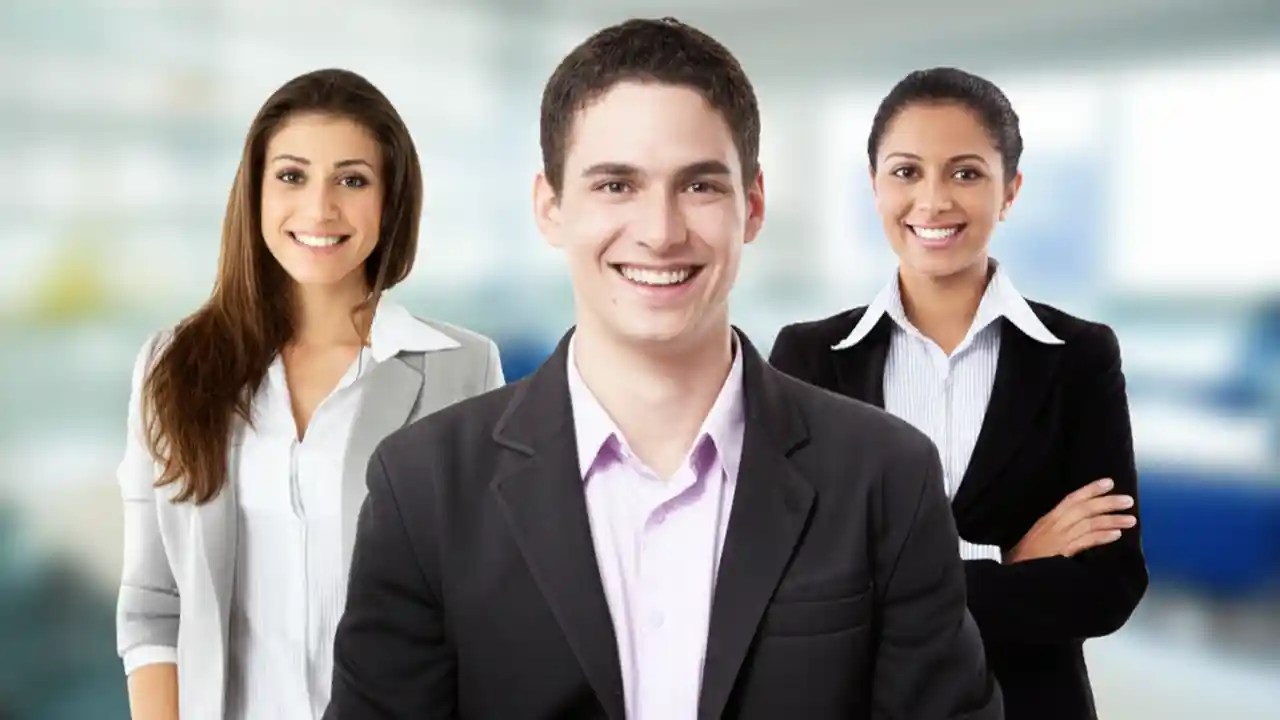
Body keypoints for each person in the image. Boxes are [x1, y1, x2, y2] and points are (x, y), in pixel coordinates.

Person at [327, 20, 1000, 720]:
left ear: (754, 205)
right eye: (616, 185)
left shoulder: (884, 475)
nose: (660, 231)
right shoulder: (424, 488)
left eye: (700, 186)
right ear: (550, 207)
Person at [115, 68, 504, 720]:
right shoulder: (172, 367)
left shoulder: (462, 370)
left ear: (390, 200)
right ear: (256, 193)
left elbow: (488, 611)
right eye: (292, 176)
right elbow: (153, 605)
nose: (320, 209)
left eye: (352, 180)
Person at [769, 67, 1147, 720]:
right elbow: (789, 584)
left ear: (1010, 192)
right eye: (906, 172)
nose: (934, 201)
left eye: (966, 173)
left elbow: (1107, 587)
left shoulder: (1078, 357)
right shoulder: (809, 359)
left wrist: (889, 587)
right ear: (874, 186)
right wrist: (1010, 558)